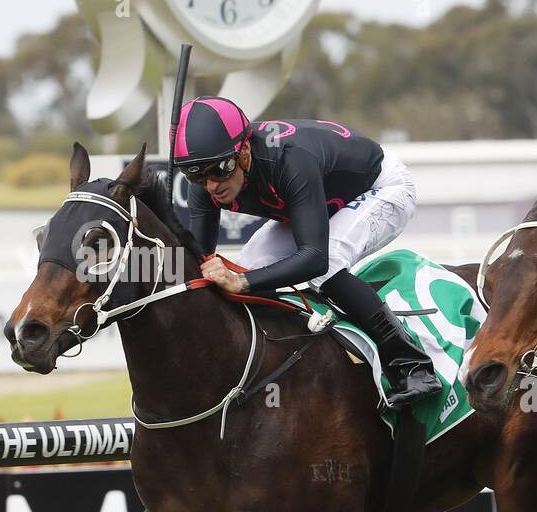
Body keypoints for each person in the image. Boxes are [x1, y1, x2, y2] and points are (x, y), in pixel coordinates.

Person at [174, 95, 440, 407]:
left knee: (325, 266)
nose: (211, 185)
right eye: (195, 174)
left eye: (219, 170)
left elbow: (314, 257)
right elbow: (197, 262)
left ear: (244, 151)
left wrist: (242, 282)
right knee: (249, 264)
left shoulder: (290, 160)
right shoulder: (207, 182)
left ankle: (411, 364)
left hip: (381, 187)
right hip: (319, 202)